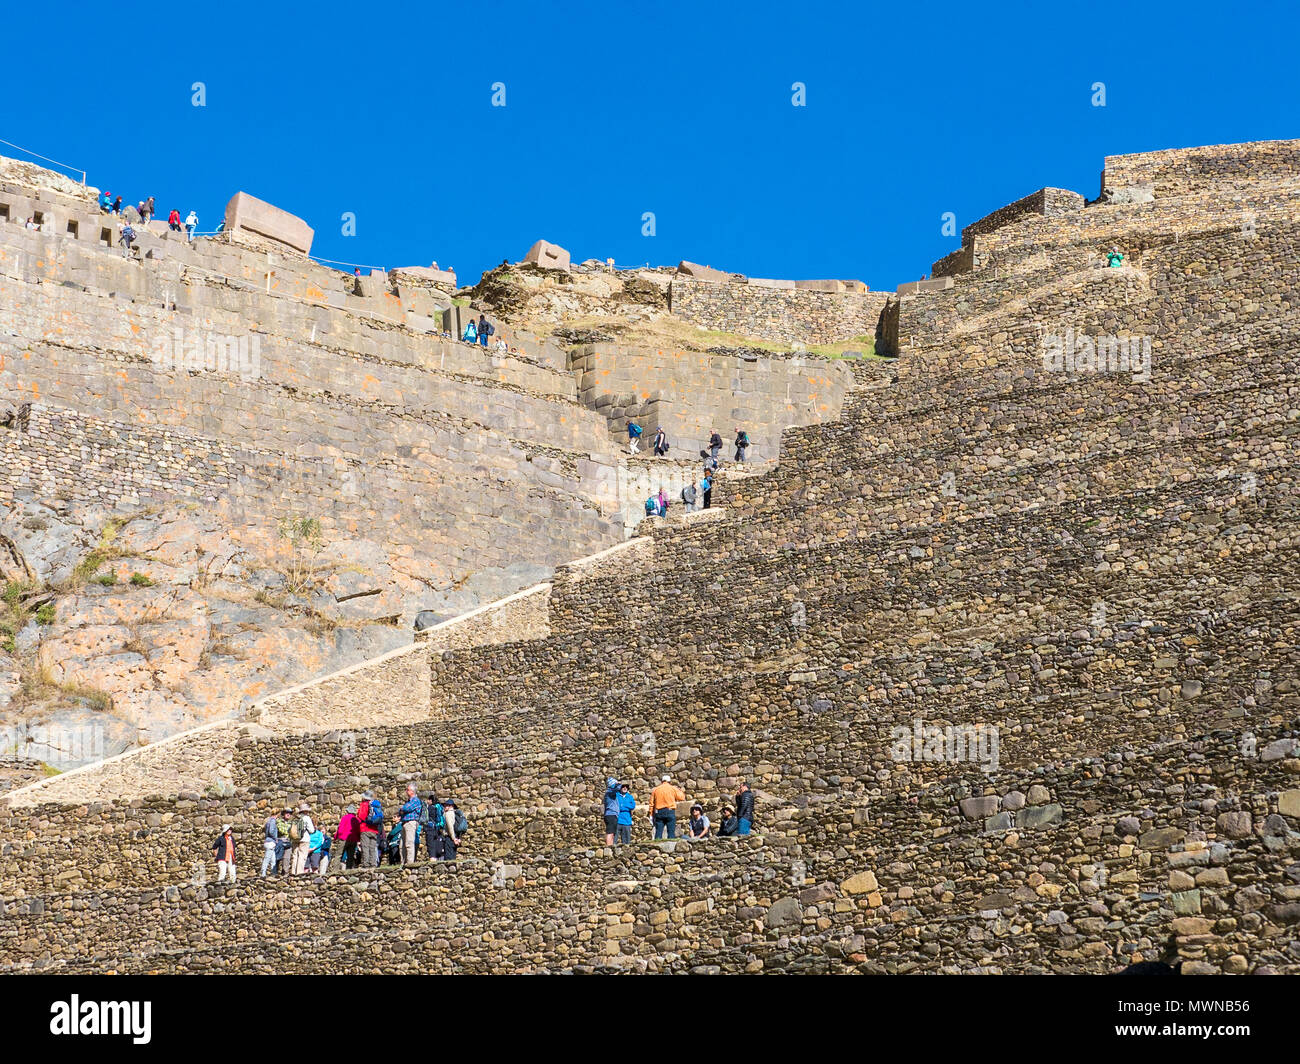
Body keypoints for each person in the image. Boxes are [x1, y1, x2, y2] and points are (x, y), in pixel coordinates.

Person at [649, 774, 685, 840]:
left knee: (658, 832)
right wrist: (680, 790)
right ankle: (671, 847)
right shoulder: (673, 788)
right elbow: (682, 798)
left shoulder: (656, 789)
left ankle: (657, 847)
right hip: (670, 811)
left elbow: (651, 803)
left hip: (659, 812)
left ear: (661, 781)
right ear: (669, 781)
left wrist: (651, 814)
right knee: (671, 832)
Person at [357, 791, 383, 867]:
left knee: (365, 847)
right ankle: (373, 864)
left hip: (365, 828)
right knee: (372, 847)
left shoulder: (364, 805)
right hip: (374, 829)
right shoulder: (374, 804)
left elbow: (361, 816)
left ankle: (366, 864)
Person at [399, 782, 422, 864]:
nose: (406, 791)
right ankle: (403, 862)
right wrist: (402, 810)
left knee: (409, 843)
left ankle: (410, 863)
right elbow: (401, 810)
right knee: (402, 845)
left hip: (411, 823)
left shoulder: (415, 800)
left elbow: (406, 808)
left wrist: (402, 809)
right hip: (405, 823)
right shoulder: (409, 801)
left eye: (407, 790)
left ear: (412, 791)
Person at [291, 803, 315, 874]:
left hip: (295, 839)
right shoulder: (306, 818)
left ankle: (293, 871)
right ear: (305, 811)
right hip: (304, 839)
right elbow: (311, 830)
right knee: (302, 856)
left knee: (295, 856)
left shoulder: (295, 818)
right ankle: (299, 872)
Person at [336, 804, 361, 869]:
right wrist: (358, 839)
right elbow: (358, 831)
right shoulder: (357, 820)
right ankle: (348, 870)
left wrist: (337, 837)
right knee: (350, 856)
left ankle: (334, 870)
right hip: (353, 840)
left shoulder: (345, 818)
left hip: (344, 838)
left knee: (338, 855)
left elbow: (340, 828)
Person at [260, 810, 280, 877]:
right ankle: (263, 873)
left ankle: (273, 873)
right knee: (267, 858)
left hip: (269, 841)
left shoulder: (268, 821)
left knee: (273, 859)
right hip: (270, 842)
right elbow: (271, 831)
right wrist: (275, 838)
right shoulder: (273, 821)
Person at [603, 776, 620, 845]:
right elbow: (618, 788)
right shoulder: (609, 792)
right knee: (610, 832)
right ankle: (608, 846)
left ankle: (611, 845)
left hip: (613, 815)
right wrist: (618, 784)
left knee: (613, 832)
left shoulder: (610, 792)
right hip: (611, 814)